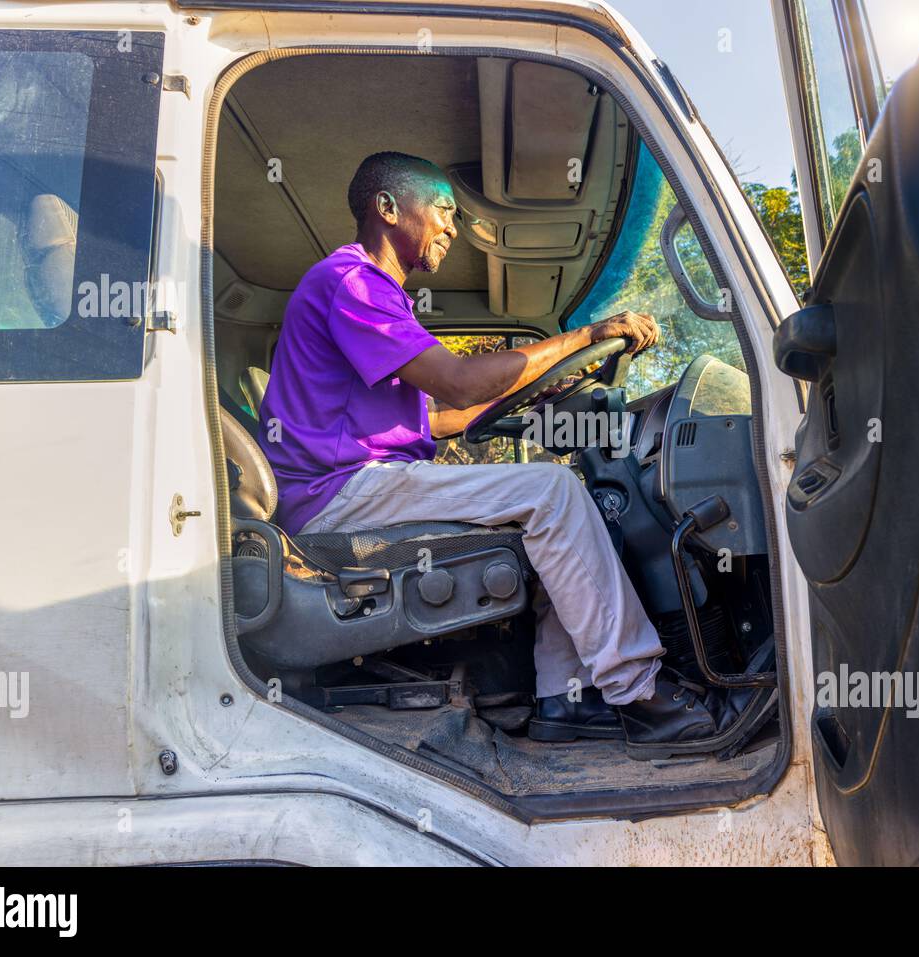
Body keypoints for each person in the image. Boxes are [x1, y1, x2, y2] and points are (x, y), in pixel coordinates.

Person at [259, 151, 738, 757]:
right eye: (444, 211)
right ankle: (639, 694)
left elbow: (445, 414)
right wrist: (585, 336)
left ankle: (565, 700)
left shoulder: (372, 294)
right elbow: (459, 382)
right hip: (336, 496)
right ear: (387, 209)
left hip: (360, 483)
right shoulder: (352, 282)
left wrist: (538, 391)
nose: (453, 228)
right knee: (553, 492)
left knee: (552, 505)